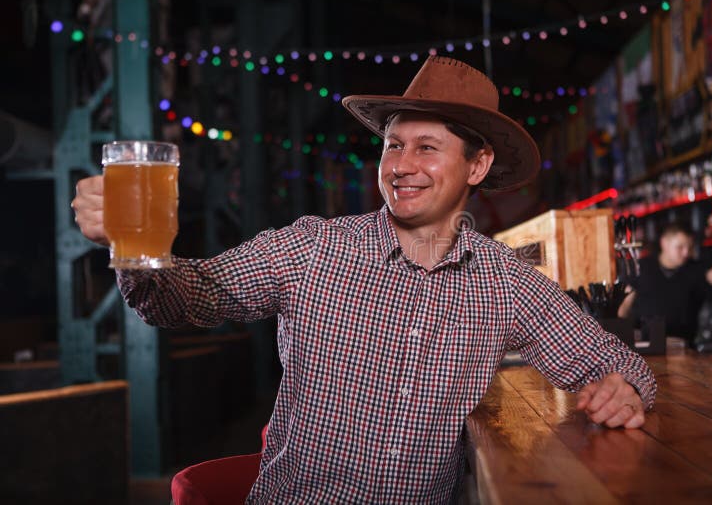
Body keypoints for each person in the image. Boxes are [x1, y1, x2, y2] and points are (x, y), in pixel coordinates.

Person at [72, 56, 656, 503]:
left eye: (427, 147)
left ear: (476, 166)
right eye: (393, 145)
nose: (401, 165)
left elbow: (617, 363)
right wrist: (131, 249)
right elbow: (189, 298)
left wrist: (624, 390)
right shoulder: (312, 248)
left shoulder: (506, 282)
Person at [618, 221, 712, 346]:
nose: (686, 253)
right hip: (646, 345)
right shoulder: (641, 267)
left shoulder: (697, 269)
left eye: (690, 247)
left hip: (684, 347)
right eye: (680, 247)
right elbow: (623, 307)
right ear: (664, 243)